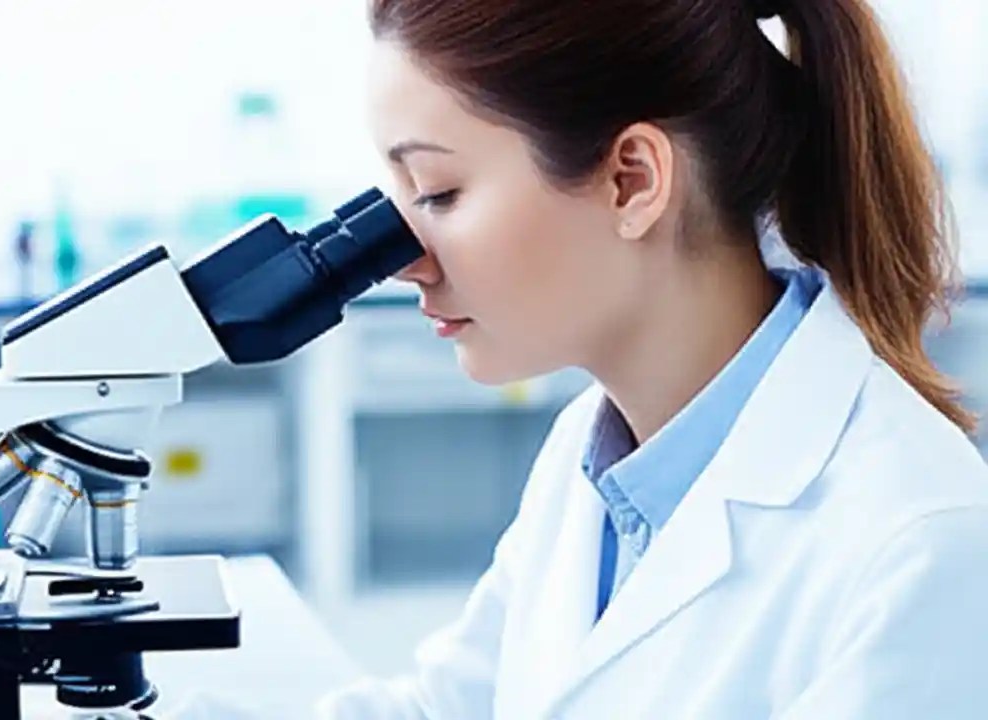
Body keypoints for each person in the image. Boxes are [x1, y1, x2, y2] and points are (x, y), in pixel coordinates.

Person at [174, 0, 988, 718]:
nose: (403, 259)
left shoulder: (919, 552)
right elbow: (452, 707)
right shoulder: (598, 453)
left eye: (438, 193)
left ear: (632, 181)